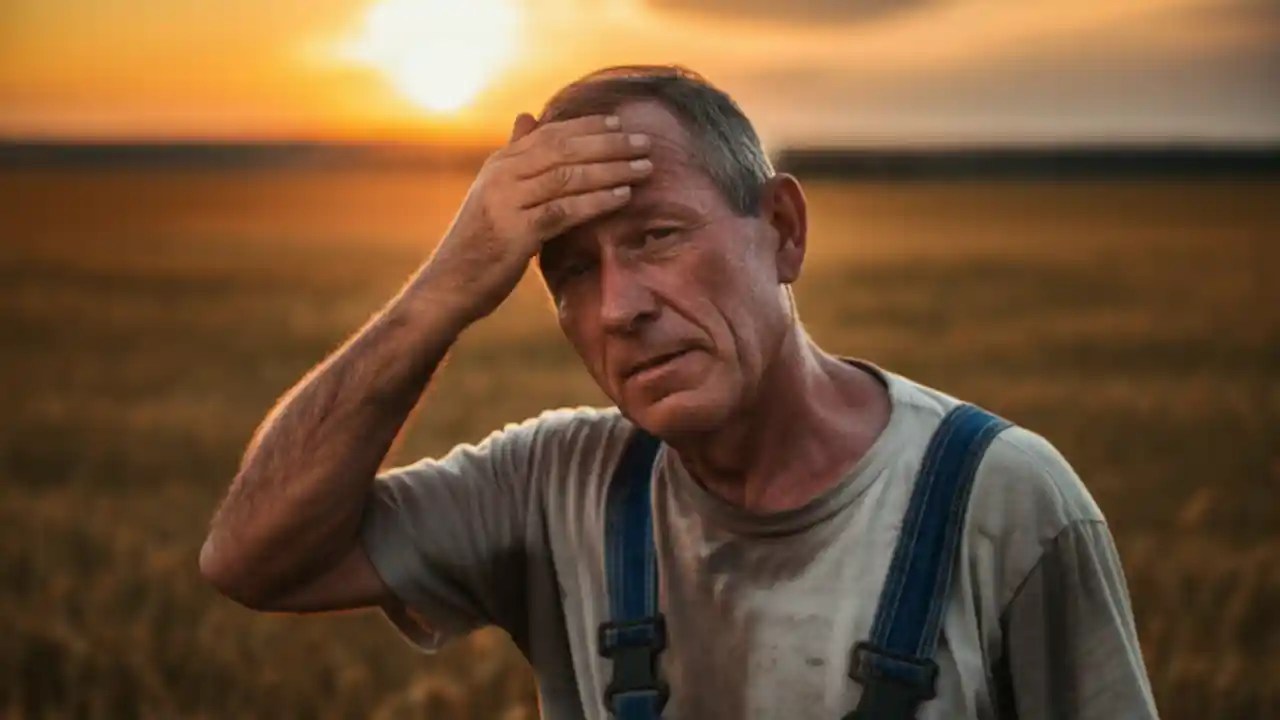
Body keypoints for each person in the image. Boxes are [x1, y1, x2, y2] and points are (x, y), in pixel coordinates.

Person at [198, 65, 1159, 719]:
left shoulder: (1003, 500)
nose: (618, 308)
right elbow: (252, 560)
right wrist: (441, 293)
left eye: (658, 237)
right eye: (570, 272)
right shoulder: (554, 483)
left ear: (781, 230)